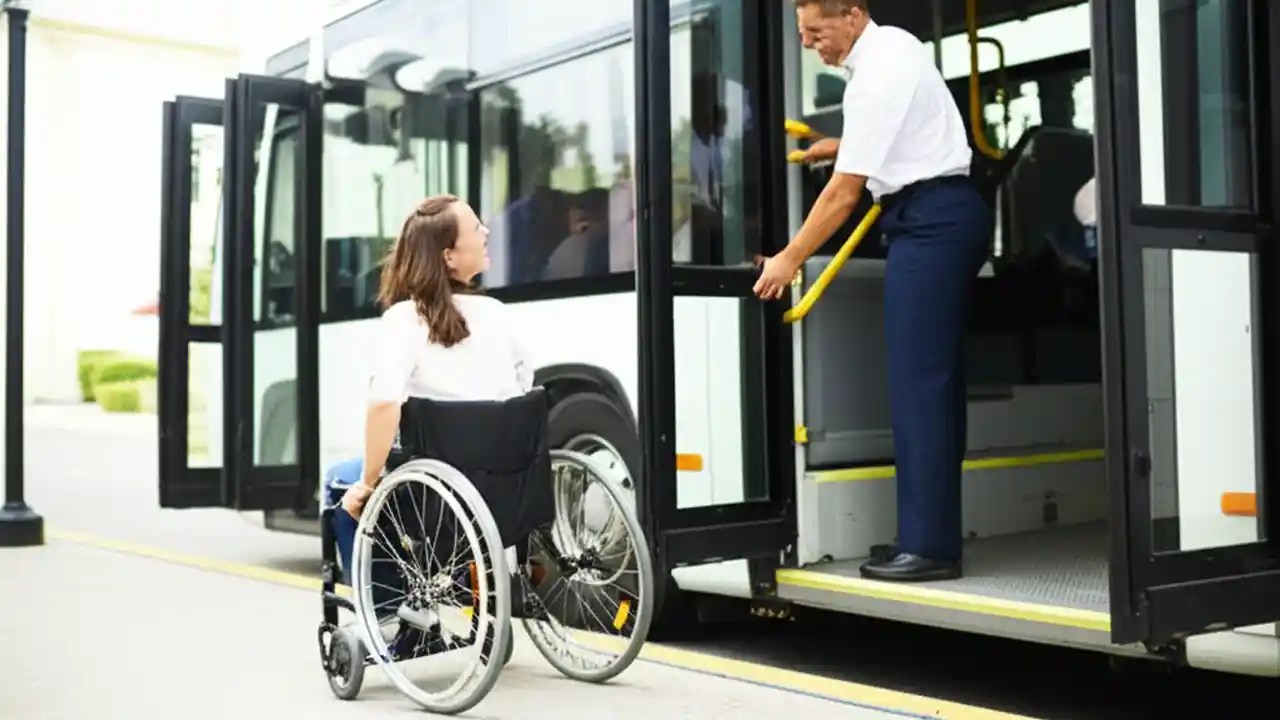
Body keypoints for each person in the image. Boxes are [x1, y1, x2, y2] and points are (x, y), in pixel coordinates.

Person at [756, 0, 991, 582]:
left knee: (920, 387)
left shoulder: (876, 73)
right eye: (803, 35)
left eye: (816, 32)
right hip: (940, 214)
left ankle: (931, 548)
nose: (811, 45)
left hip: (929, 221)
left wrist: (788, 259)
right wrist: (840, 144)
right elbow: (901, 134)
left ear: (853, 16)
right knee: (931, 384)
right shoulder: (894, 51)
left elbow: (842, 195)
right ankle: (923, 534)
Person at [338, 193, 534, 521]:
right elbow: (524, 384)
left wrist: (368, 484)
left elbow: (385, 402)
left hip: (438, 485)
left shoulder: (403, 319)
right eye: (476, 228)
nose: (486, 231)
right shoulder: (497, 314)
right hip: (504, 475)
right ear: (449, 256)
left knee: (339, 483)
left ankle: (371, 574)